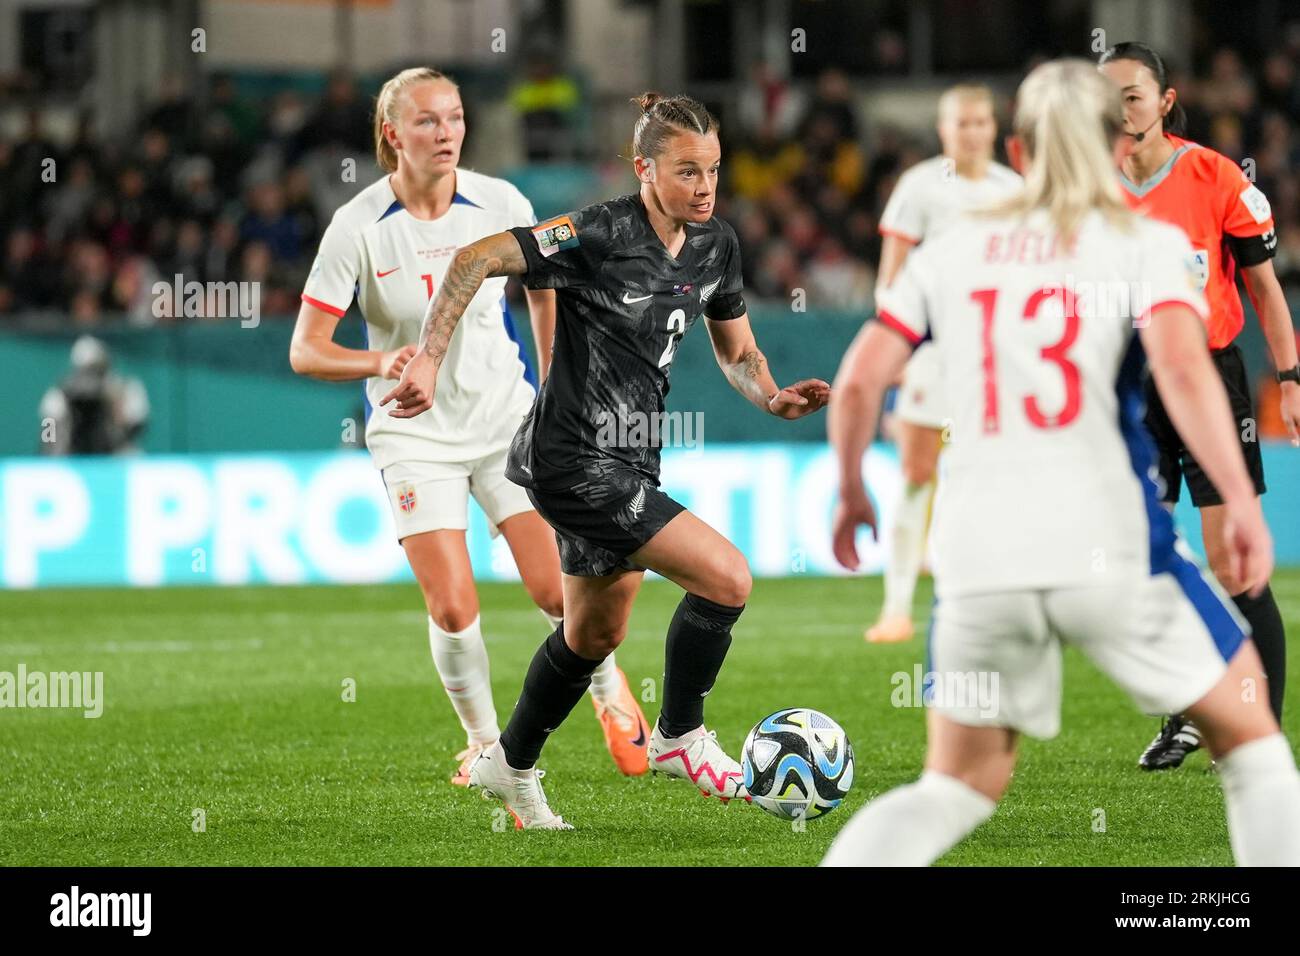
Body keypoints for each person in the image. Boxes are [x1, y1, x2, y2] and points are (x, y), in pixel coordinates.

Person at [823, 59, 1300, 866]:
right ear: (1112, 138)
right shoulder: (1141, 245)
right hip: (1109, 547)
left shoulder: (955, 251)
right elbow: (1185, 373)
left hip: (978, 560)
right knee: (1253, 747)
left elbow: (862, 377)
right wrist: (1246, 503)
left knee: (953, 788)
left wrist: (847, 491)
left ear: (1016, 144)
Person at [382, 92, 830, 829]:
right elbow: (475, 257)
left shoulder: (716, 246)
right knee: (727, 577)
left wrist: (773, 396)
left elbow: (739, 351)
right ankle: (680, 735)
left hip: (633, 459)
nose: (706, 186)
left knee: (594, 634)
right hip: (572, 457)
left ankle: (510, 763)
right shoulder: (595, 231)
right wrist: (429, 358)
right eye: (688, 171)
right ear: (643, 169)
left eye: (714, 170)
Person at [290, 67, 650, 789]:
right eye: (427, 121)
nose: (447, 132)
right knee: (453, 605)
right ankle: (486, 747)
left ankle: (612, 695)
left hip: (502, 420)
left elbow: (546, 281)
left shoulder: (499, 201)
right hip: (412, 433)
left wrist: (551, 383)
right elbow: (306, 349)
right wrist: (380, 358)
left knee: (558, 592)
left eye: (454, 117)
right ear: (393, 134)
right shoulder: (356, 225)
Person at [1099, 41, 1299, 769]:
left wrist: (1293, 378)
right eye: (1108, 99)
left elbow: (1265, 291)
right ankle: (1189, 711)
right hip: (1129, 386)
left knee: (1234, 563)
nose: (1120, 112)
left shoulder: (1217, 179)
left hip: (1211, 378)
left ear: (1166, 101)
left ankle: (1262, 735)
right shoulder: (1090, 191)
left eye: (1132, 96)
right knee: (1142, 566)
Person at [868, 84, 1022, 644]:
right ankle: (896, 606)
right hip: (932, 354)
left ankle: (986, 602)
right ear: (943, 128)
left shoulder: (1018, 191)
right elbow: (890, 280)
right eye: (962, 123)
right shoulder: (919, 186)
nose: (972, 132)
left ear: (994, 126)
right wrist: (899, 350)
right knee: (916, 474)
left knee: (990, 479)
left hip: (995, 359)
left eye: (981, 122)